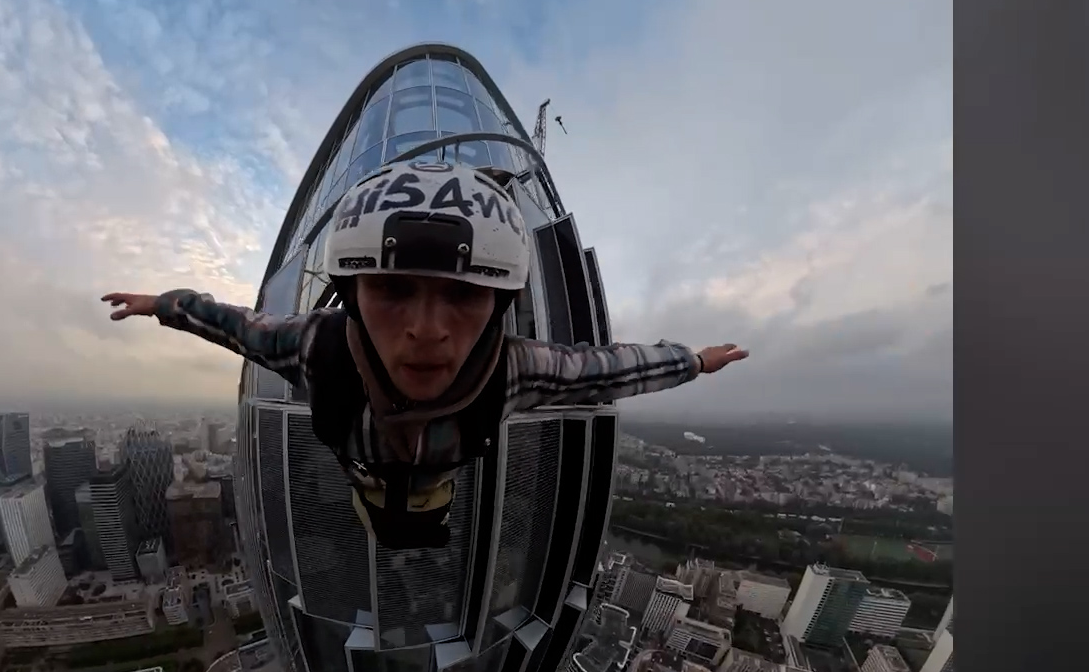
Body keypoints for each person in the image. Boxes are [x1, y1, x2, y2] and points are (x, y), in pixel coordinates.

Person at [103, 160, 748, 549]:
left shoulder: (506, 368)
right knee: (394, 515)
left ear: (497, 307)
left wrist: (692, 360)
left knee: (409, 517)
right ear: (353, 296)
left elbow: (606, 370)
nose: (427, 330)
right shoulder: (319, 349)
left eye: (463, 296)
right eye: (391, 290)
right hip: (392, 478)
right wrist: (165, 303)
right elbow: (234, 325)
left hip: (405, 481)